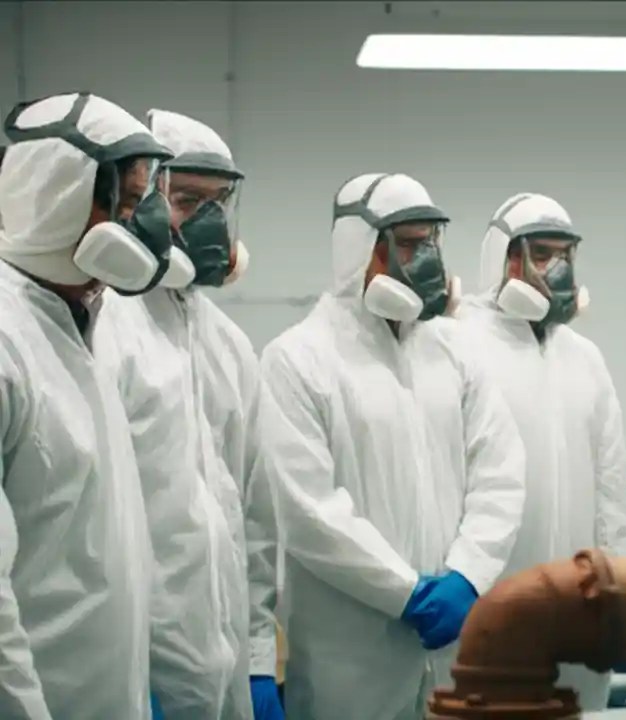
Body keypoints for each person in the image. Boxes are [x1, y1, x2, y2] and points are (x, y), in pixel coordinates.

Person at [255, 172, 525, 720]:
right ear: (360, 249)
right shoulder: (299, 358)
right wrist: (405, 594)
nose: (425, 260)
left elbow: (500, 470)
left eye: (430, 243)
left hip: (455, 649)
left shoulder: (455, 352)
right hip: (348, 659)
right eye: (407, 244)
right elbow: (309, 510)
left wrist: (468, 574)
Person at [95, 109, 280, 720]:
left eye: (220, 202)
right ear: (140, 200)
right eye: (187, 199)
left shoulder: (227, 343)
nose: (209, 221)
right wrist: (125, 672)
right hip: (133, 663)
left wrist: (257, 656)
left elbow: (253, 516)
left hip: (221, 659)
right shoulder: (104, 330)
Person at [0, 92, 176, 718]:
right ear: (57, 196)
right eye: (127, 204)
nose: (143, 228)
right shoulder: (7, 339)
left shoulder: (92, 323)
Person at [457, 192, 626, 710]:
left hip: (580, 609)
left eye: (565, 255)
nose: (556, 271)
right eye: (541, 255)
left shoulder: (584, 358)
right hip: (485, 605)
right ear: (503, 260)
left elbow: (612, 488)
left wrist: (622, 590)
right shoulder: (458, 344)